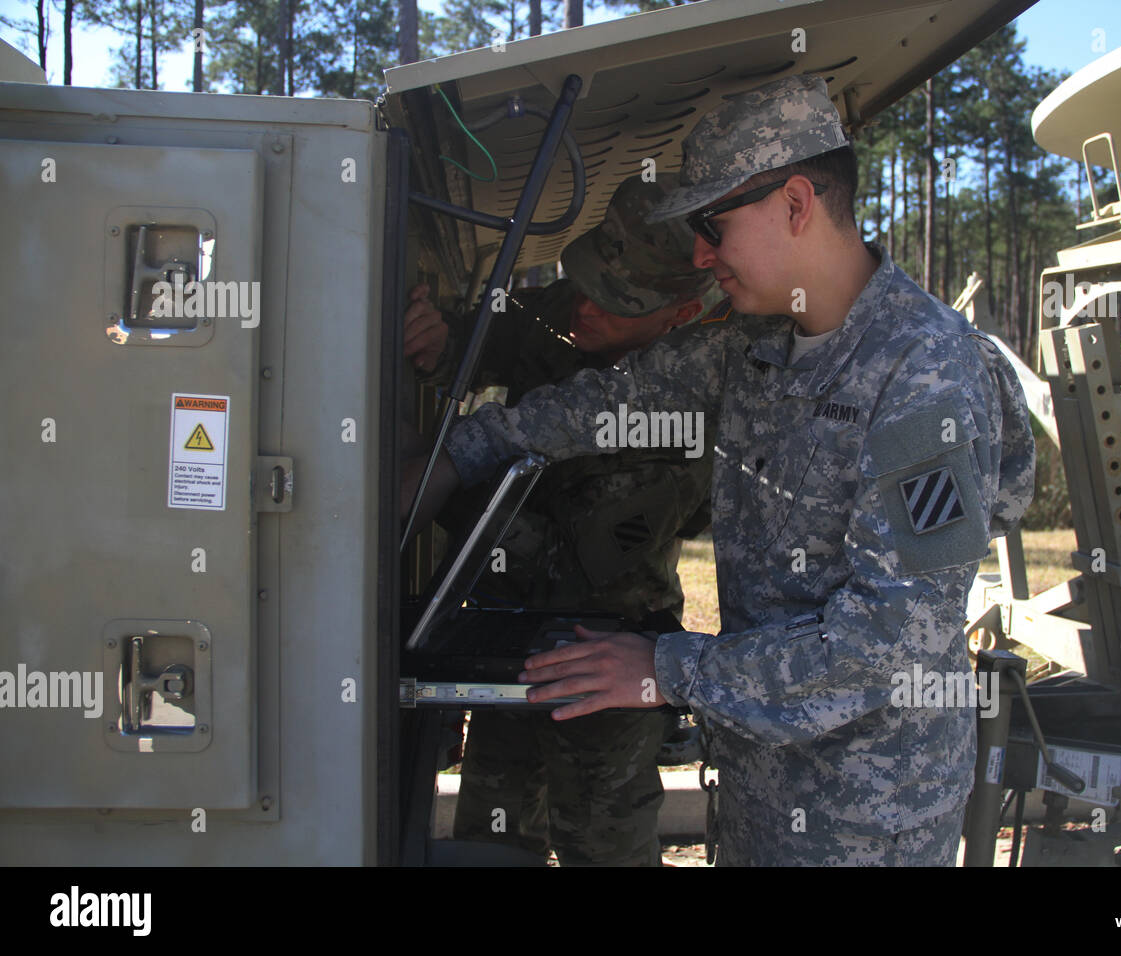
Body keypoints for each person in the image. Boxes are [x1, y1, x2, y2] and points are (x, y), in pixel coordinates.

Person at [422, 74, 1035, 866]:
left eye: (713, 225)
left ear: (794, 204)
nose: (703, 255)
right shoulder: (757, 345)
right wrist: (453, 458)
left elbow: (890, 641)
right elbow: (601, 401)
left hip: (864, 818)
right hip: (759, 791)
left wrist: (668, 668)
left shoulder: (928, 376)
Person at [405, 174, 716, 866]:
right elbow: (497, 338)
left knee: (599, 842)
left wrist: (450, 485)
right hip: (503, 625)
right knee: (492, 829)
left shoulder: (692, 403)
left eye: (611, 299)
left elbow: (578, 549)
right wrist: (441, 344)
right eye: (583, 281)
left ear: (680, 315)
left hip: (607, 637)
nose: (583, 305)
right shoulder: (572, 307)